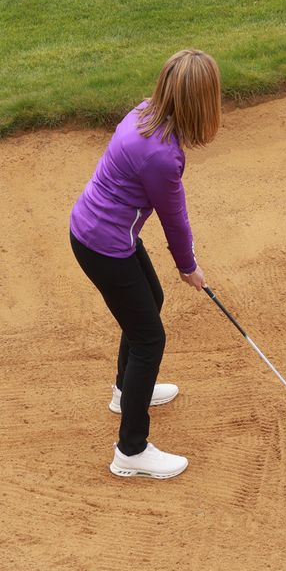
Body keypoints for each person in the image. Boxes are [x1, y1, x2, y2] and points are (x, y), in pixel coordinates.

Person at [69, 48, 222, 479]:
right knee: (149, 339)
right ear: (200, 101)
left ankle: (126, 391)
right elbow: (175, 219)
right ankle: (131, 451)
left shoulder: (144, 112)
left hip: (98, 231)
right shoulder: (162, 157)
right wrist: (188, 267)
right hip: (104, 246)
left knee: (150, 301)